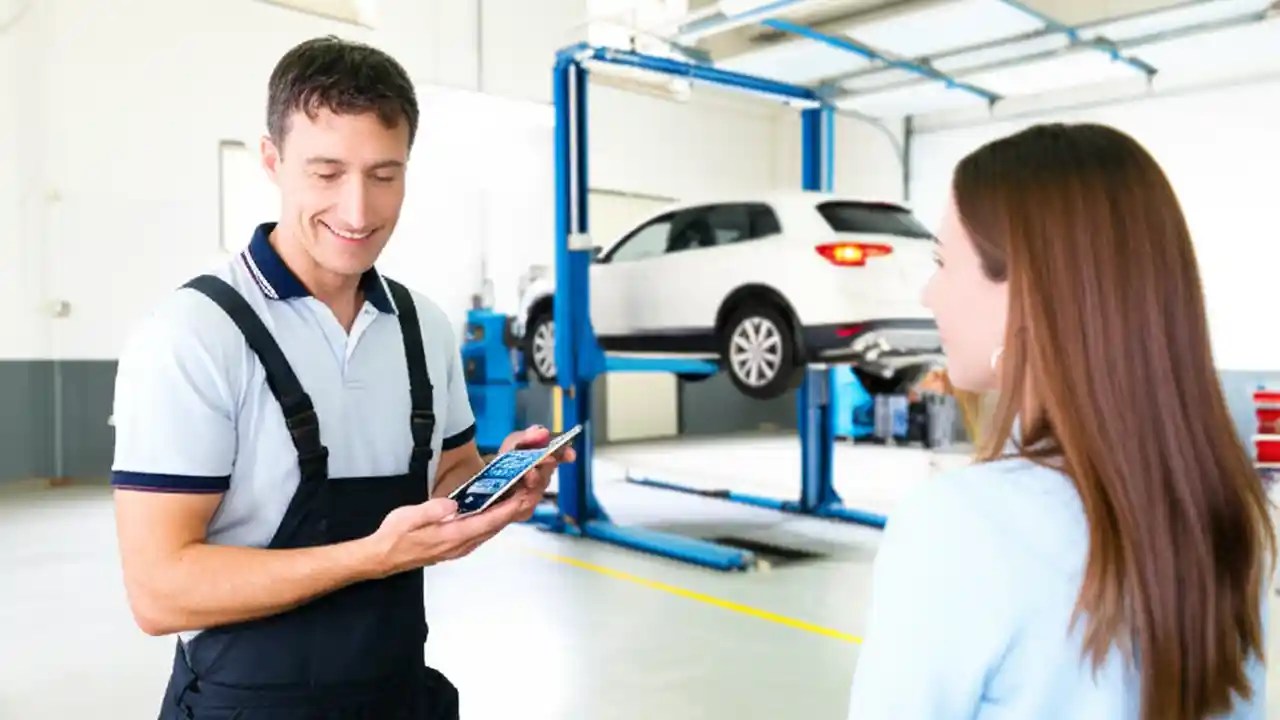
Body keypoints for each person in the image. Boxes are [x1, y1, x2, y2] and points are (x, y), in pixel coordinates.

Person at [109, 36, 572, 719]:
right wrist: (368, 557)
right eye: (327, 173)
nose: (358, 212)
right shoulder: (192, 336)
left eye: (384, 176)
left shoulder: (424, 328)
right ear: (272, 161)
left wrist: (492, 490)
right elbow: (159, 593)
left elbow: (447, 478)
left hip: (395, 694)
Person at [845, 123, 1274, 720]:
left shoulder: (961, 525)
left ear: (1027, 293)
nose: (928, 294)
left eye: (944, 263)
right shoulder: (1230, 513)